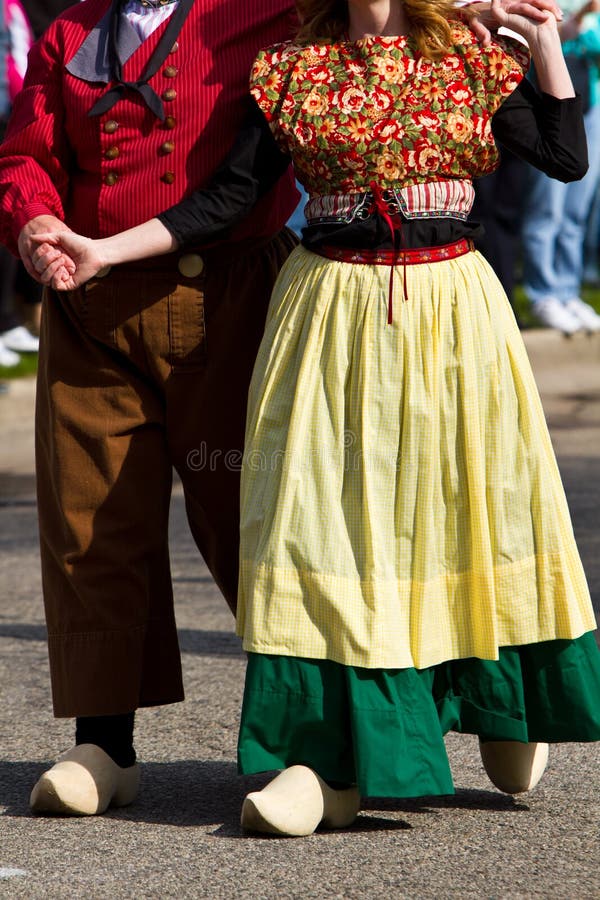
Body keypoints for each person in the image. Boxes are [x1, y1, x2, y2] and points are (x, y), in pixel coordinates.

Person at [31, 0, 600, 836]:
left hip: (453, 310)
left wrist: (544, 43)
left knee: (472, 507)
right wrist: (103, 250)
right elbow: (228, 197)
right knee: (321, 528)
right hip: (329, 311)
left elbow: (564, 156)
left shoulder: (467, 54)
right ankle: (324, 754)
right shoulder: (293, 67)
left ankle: (501, 701)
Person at [0, 0, 301, 816]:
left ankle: (304, 741)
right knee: (90, 519)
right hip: (91, 313)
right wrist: (33, 221)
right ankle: (104, 744)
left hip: (233, 300)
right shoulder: (70, 32)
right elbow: (25, 154)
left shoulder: (271, 14)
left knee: (253, 516)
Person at [520, 0, 600, 333]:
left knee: (575, 212)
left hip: (589, 106)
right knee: (547, 210)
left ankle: (567, 291)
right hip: (550, 108)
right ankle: (542, 294)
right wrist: (583, 17)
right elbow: (543, 37)